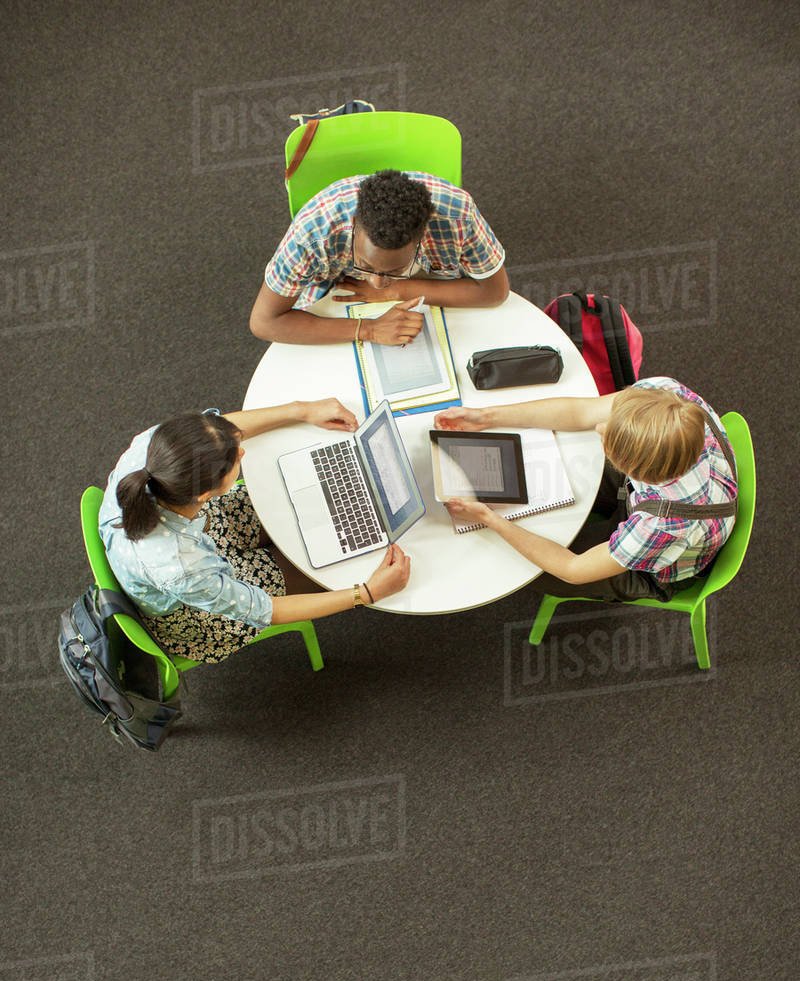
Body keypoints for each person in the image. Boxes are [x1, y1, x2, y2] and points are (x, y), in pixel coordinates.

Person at [98, 399, 411, 663]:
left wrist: (302, 410)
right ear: (205, 495)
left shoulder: (156, 450)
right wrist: (367, 593)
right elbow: (267, 609)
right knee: (326, 570)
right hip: (198, 612)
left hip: (194, 536)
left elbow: (218, 430)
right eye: (234, 459)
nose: (242, 451)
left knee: (297, 506)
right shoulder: (182, 569)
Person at [434, 377, 738, 602]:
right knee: (563, 468)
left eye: (609, 439)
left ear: (633, 470)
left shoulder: (660, 527)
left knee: (521, 567)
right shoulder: (666, 397)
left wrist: (489, 517)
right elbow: (582, 413)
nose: (598, 428)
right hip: (675, 499)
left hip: (659, 565)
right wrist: (486, 417)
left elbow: (572, 568)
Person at [249, 168, 509, 347]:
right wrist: (369, 330)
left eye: (394, 269)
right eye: (364, 265)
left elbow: (495, 292)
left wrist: (397, 289)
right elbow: (263, 322)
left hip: (425, 287)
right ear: (353, 224)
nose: (376, 282)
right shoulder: (313, 232)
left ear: (422, 235)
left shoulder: (458, 214)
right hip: (336, 297)